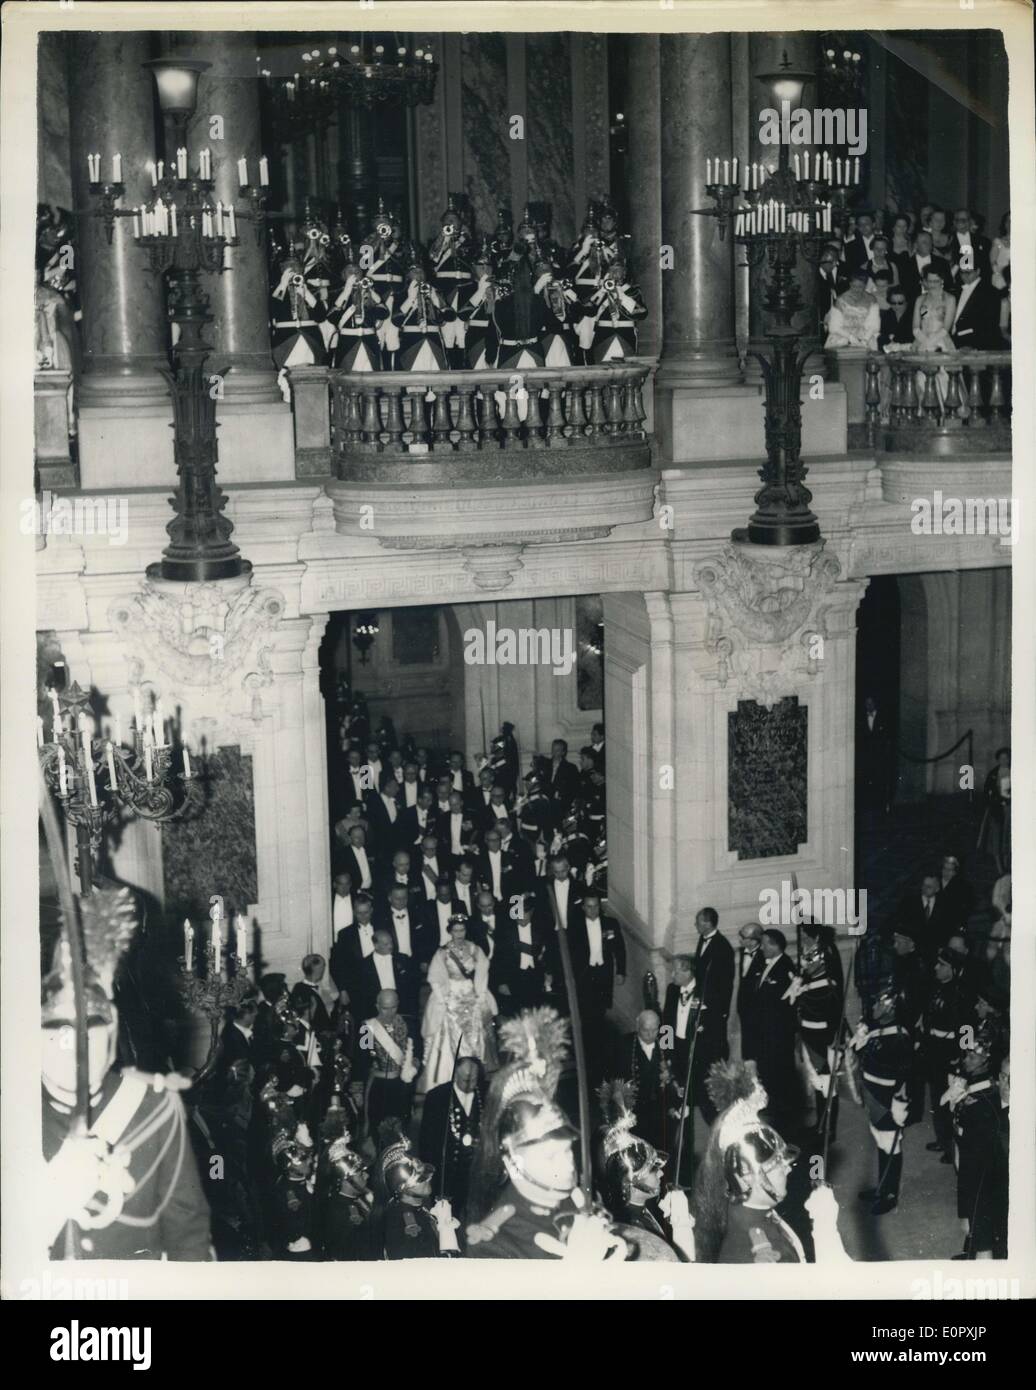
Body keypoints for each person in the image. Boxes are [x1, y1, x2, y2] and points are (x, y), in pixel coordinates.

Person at [41, 888, 211, 1261]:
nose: (77, 1048)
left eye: (92, 1026)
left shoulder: (153, 1110)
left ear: (113, 1026)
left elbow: (189, 1240)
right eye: (60, 1029)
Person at [466, 1008, 627, 1260]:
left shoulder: (578, 1202)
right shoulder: (491, 1248)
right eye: (551, 1157)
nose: (568, 1165)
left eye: (567, 1151)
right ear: (512, 1161)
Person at [691, 1061, 850, 1263]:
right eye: (776, 1164)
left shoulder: (748, 1213)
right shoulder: (760, 1257)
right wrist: (826, 1229)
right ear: (745, 1178)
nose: (788, 1169)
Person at [595, 1079, 696, 1261]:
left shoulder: (640, 1211)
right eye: (652, 1169)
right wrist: (681, 1226)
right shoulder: (632, 1229)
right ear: (630, 1182)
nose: (661, 1173)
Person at [849, 983, 913, 1215]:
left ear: (890, 1008)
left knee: (891, 1144)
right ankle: (882, 1185)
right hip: (873, 1094)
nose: (873, 1007)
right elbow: (859, 1053)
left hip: (887, 1099)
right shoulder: (876, 1028)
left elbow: (906, 1076)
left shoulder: (898, 1037)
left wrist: (900, 1104)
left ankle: (890, 1194)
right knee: (880, 1140)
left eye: (878, 1003)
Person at [944, 1025, 1007, 1260]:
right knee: (970, 1209)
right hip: (966, 1157)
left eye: (972, 1057)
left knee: (977, 1210)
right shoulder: (971, 1087)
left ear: (986, 1064)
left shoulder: (985, 1099)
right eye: (967, 1055)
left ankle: (977, 1251)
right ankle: (971, 1246)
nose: (966, 1061)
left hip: (979, 1168)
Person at [420, 915, 497, 1090]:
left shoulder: (475, 949)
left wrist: (481, 995)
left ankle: (474, 1076)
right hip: (451, 995)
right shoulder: (443, 952)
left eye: (462, 930)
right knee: (449, 1032)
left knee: (475, 1033)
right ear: (450, 931)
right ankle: (448, 1077)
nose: (459, 934)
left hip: (471, 993)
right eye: (455, 930)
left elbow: (483, 973)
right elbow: (435, 978)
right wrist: (442, 999)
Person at [418, 1056, 484, 1219]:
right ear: (455, 1075)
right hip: (445, 1173)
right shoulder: (437, 1097)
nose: (469, 1084)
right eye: (464, 1079)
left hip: (475, 1172)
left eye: (473, 1079)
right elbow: (427, 1140)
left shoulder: (485, 1095)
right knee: (444, 1220)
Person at [921, 946, 969, 1162]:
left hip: (949, 1055)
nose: (936, 967)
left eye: (942, 965)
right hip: (934, 1051)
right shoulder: (936, 988)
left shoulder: (959, 993)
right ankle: (942, 1139)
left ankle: (952, 1148)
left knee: (950, 1102)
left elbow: (966, 1028)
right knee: (937, 1098)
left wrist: (961, 1056)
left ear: (953, 969)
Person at [750, 929, 799, 1134]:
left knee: (780, 1078)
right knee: (769, 1076)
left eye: (764, 943)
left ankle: (784, 1125)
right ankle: (775, 1115)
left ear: (775, 945)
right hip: (766, 1035)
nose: (761, 947)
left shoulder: (786, 966)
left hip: (778, 1036)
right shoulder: (765, 966)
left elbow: (785, 1005)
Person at [379, 1124, 454, 1258]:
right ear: (402, 1188)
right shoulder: (402, 1219)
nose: (428, 1180)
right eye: (420, 1179)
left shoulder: (418, 1209)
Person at [357, 989, 418, 1138]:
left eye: (394, 1007)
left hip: (401, 1086)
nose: (390, 1013)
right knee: (377, 1132)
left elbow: (417, 1055)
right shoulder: (367, 1028)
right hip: (378, 1086)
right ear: (377, 1006)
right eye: (385, 1008)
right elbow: (362, 1061)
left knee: (401, 1132)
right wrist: (358, 1090)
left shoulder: (407, 1024)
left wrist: (413, 1067)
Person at [692, 908, 735, 1114]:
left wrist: (713, 1007)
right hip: (702, 1004)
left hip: (714, 1009)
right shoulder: (703, 940)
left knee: (715, 1048)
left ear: (708, 924)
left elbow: (724, 984)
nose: (696, 925)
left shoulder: (722, 948)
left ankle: (715, 1091)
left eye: (698, 922)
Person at [320, 1136, 377, 1260]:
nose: (366, 1176)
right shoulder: (339, 1209)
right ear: (346, 1180)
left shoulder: (356, 1198)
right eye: (360, 1173)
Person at [950, 264, 1003, 350]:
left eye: (968, 272)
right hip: (954, 343)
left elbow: (990, 325)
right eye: (962, 273)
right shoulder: (956, 290)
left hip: (975, 345)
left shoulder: (991, 292)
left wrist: (974, 346)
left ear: (978, 271)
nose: (964, 276)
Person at [824, 269, 881, 349]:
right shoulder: (840, 300)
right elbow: (834, 327)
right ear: (850, 284)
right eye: (854, 286)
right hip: (842, 335)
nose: (856, 290)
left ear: (865, 285)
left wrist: (865, 340)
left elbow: (874, 325)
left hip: (865, 336)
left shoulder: (872, 300)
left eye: (860, 287)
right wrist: (851, 338)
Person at [978, 746, 1011, 874]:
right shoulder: (993, 773)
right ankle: (999, 867)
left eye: (1006, 758)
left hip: (1010, 809)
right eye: (1001, 758)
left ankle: (1007, 863)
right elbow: (987, 792)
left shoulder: (1015, 771)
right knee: (996, 837)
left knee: (1007, 837)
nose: (1004, 760)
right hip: (996, 810)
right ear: (998, 759)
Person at [735, 922, 765, 1062]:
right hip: (744, 1009)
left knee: (758, 1049)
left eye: (743, 936)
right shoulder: (743, 953)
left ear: (754, 941)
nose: (740, 939)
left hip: (758, 1011)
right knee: (746, 1048)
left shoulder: (765, 956)